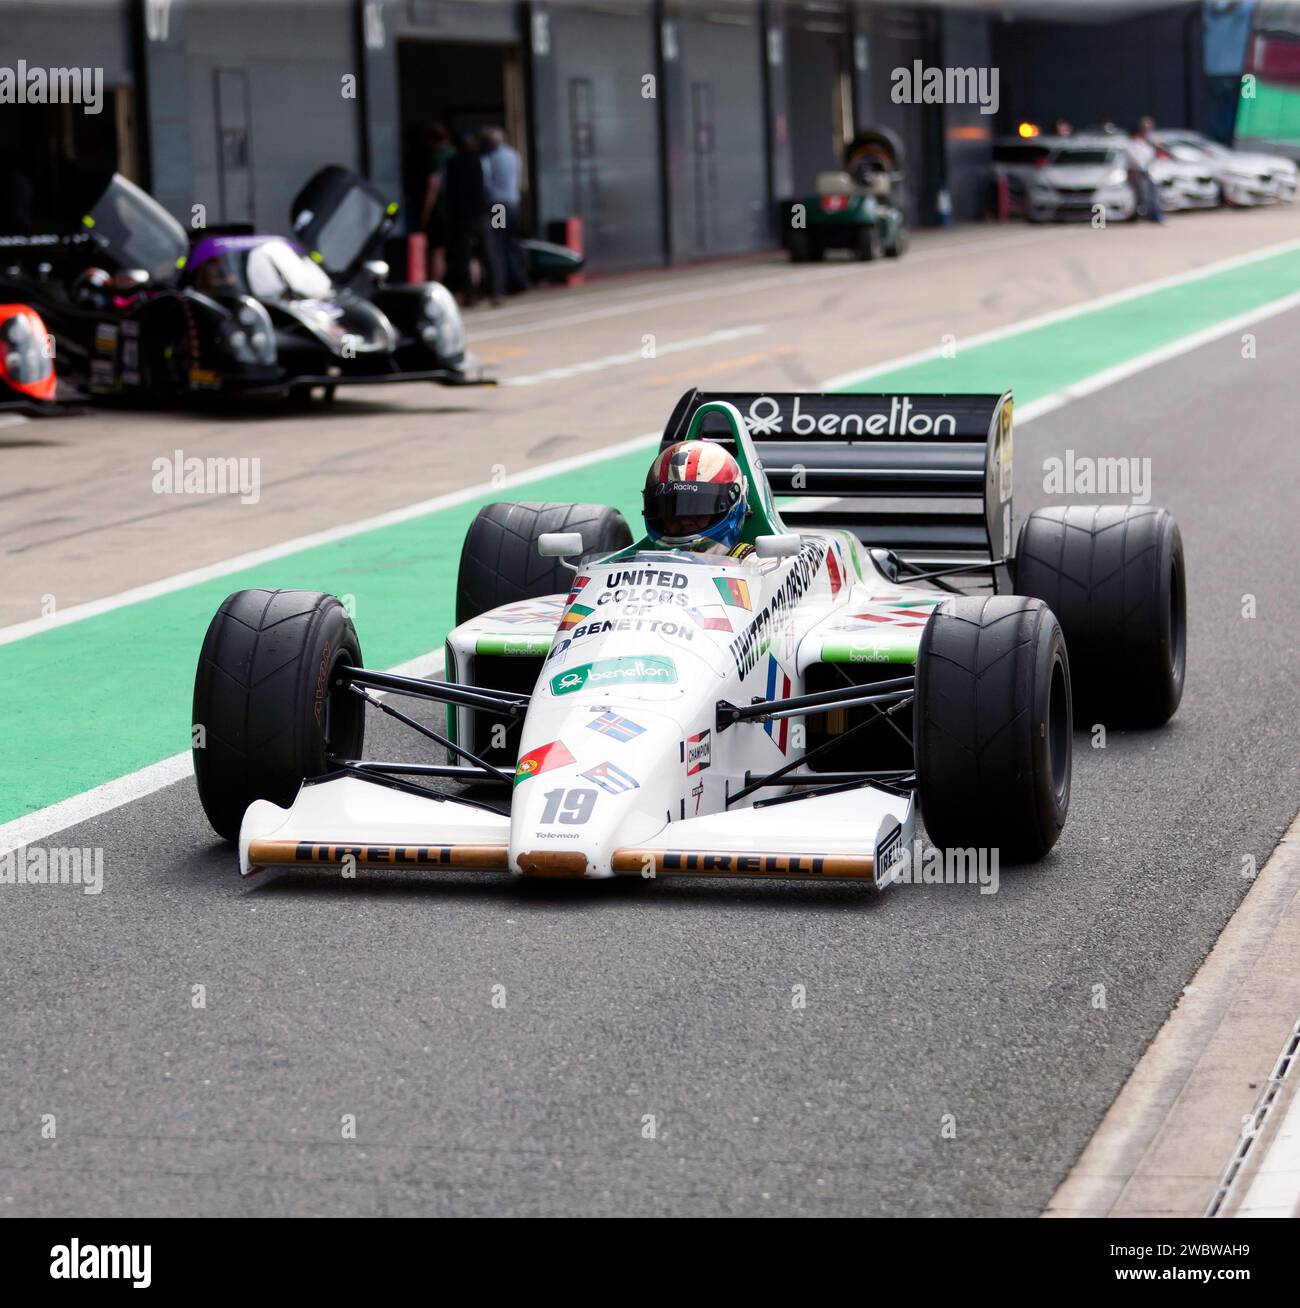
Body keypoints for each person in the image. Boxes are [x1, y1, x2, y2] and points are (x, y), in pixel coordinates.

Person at [642, 442, 755, 561]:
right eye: (671, 512)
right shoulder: (639, 567)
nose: (685, 521)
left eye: (698, 511)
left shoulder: (757, 565)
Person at [480, 126, 530, 300]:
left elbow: (486, 183)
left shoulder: (488, 159)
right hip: (513, 203)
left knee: (497, 245)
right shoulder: (514, 156)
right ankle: (519, 279)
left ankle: (501, 285)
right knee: (511, 242)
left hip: (497, 206)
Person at [443, 132, 490, 305]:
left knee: (465, 254)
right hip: (494, 208)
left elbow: (449, 191)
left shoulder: (452, 163)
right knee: (491, 248)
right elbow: (488, 186)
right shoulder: (482, 160)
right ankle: (495, 289)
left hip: (463, 215)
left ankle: (470, 292)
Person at [1127, 117, 1164, 224]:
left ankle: (1154, 215)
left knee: (1153, 195)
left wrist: (1156, 152)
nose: (1147, 130)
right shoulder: (1133, 144)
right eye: (1144, 127)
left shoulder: (1150, 141)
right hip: (1138, 173)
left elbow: (1151, 157)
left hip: (1149, 172)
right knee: (1142, 196)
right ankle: (1137, 216)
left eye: (1148, 127)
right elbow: (1138, 161)